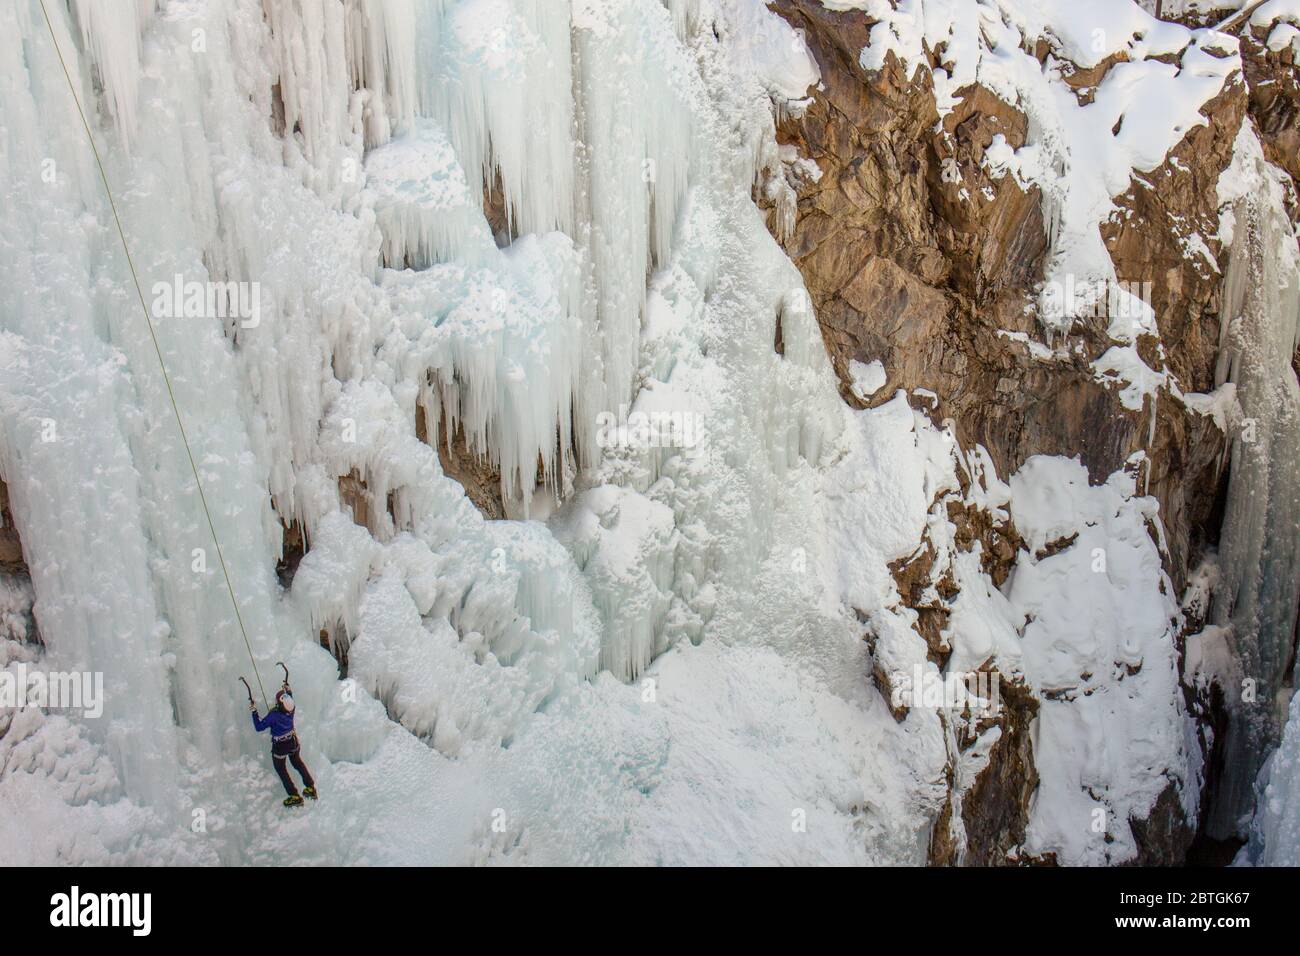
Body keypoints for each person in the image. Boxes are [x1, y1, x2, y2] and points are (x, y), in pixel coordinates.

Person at [251, 686, 317, 807]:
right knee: (297, 763)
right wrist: (289, 691)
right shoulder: (292, 709)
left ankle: (294, 795)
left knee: (281, 769)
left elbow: (259, 727)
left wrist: (254, 712)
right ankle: (310, 787)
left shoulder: (274, 715)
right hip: (292, 741)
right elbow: (290, 699)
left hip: (280, 746)